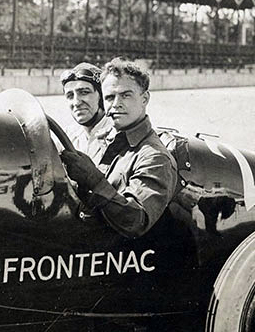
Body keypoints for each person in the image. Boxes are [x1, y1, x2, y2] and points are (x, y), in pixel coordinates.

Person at [59, 58, 177, 238]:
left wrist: (94, 180)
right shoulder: (104, 140)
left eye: (126, 95)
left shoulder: (154, 156)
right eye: (109, 97)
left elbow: (136, 221)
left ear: (144, 98)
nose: (116, 104)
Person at [60, 62, 112, 161]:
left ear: (101, 96)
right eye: (70, 95)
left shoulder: (118, 134)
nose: (76, 102)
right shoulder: (66, 136)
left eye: (84, 93)